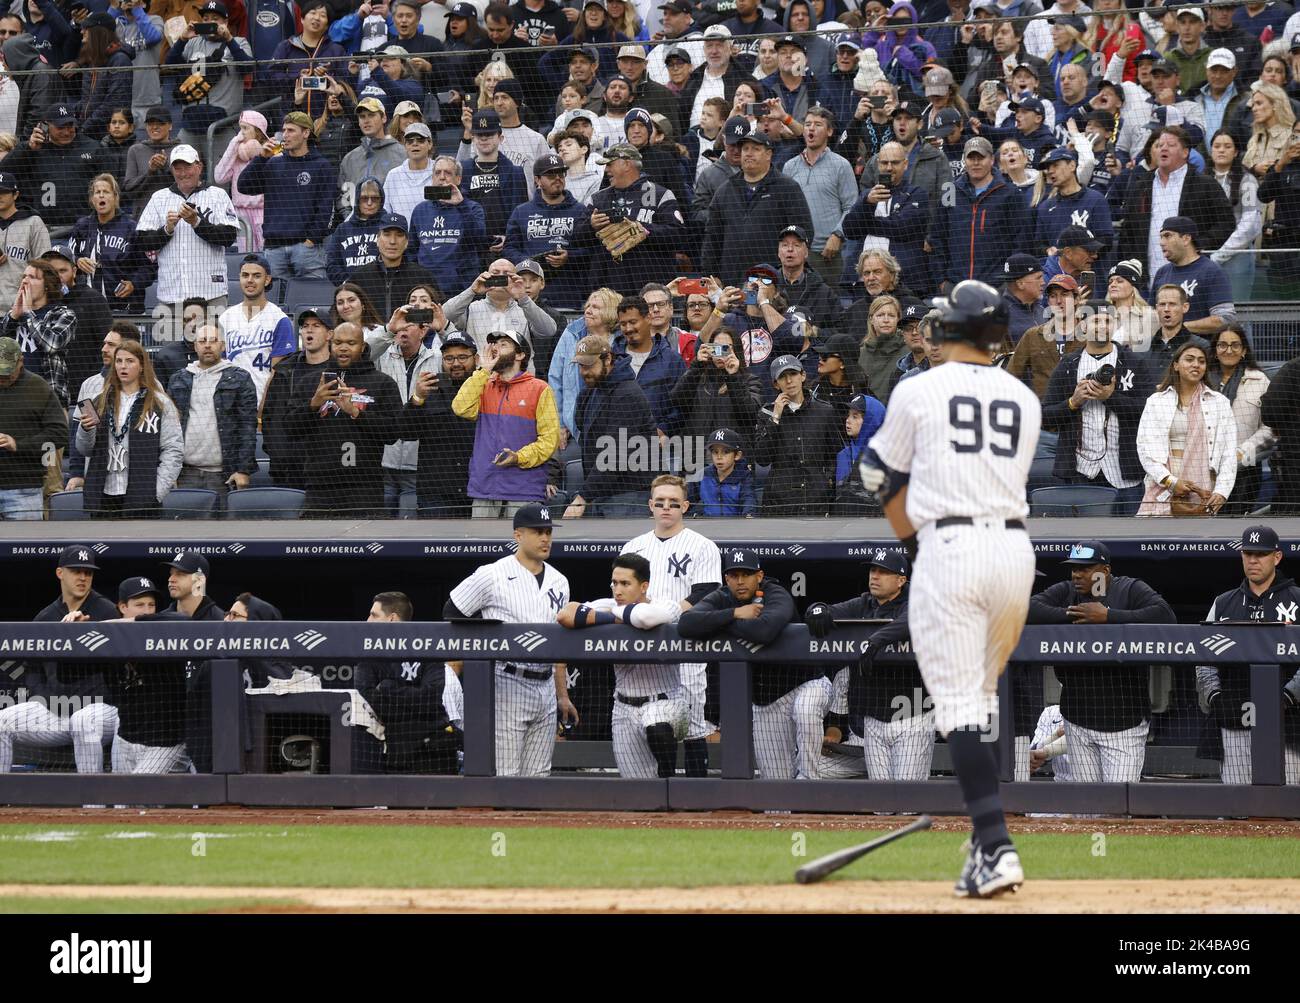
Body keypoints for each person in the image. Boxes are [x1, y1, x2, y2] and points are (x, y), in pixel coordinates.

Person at [860, 279, 1041, 897]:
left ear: (954, 329)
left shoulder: (919, 387)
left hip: (951, 548)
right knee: (980, 699)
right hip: (1015, 551)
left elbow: (874, 470)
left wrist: (914, 545)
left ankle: (996, 846)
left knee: (960, 710)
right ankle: (982, 844)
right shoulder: (1023, 395)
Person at [1027, 540, 1176, 783]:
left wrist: (1109, 616)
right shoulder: (1067, 591)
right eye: (1074, 568)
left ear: (1104, 571)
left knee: (1118, 804)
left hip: (1123, 723)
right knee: (1086, 808)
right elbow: (1030, 609)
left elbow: (1165, 616)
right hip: (1077, 719)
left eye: (1085, 569)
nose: (1077, 574)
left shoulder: (1129, 589)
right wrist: (1075, 614)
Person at [444, 503, 576, 777]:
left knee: (539, 776)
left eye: (549, 532)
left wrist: (562, 695)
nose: (545, 538)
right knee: (506, 775)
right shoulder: (491, 574)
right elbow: (453, 611)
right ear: (518, 535)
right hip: (506, 680)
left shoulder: (559, 581)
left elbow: (561, 640)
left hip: (546, 686)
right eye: (538, 532)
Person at [678, 547, 831, 779]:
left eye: (746, 575)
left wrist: (716, 625)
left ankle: (809, 781)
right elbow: (686, 624)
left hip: (806, 685)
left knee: (806, 709)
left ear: (758, 576)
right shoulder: (723, 597)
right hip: (766, 701)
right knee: (775, 786)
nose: (740, 581)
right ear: (726, 578)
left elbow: (765, 630)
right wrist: (735, 614)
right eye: (734, 575)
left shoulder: (776, 593)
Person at [615, 475, 721, 772]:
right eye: (660, 502)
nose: (666, 508)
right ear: (650, 505)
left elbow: (705, 593)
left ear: (685, 506)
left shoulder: (702, 546)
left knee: (693, 725)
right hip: (642, 647)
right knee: (645, 728)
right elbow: (620, 592)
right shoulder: (633, 547)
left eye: (674, 503)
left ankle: (695, 807)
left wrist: (667, 612)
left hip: (684, 646)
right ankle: (658, 793)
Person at [557, 552, 685, 778]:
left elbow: (646, 619)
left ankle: (669, 778)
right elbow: (565, 615)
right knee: (635, 786)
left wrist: (604, 616)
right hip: (623, 707)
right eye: (614, 583)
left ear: (644, 586)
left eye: (626, 583)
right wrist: (618, 617)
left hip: (666, 702)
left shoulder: (666, 604)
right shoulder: (608, 604)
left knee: (657, 728)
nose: (618, 590)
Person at [806, 549, 930, 780]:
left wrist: (876, 641)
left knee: (907, 800)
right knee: (881, 804)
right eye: (873, 570)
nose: (875, 576)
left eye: (883, 572)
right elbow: (824, 609)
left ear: (901, 580)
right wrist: (817, 609)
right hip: (874, 721)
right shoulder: (863, 604)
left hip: (912, 716)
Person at [0, 546, 120, 775]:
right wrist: (46, 699)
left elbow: (117, 669)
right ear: (60, 573)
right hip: (58, 710)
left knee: (84, 721)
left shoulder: (107, 612)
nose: (83, 577)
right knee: (1, 723)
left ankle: (92, 805)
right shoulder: (46, 617)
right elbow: (32, 671)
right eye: (76, 571)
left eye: (88, 572)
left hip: (99, 709)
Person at [1197, 525, 1300, 785]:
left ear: (1276, 557)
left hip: (1290, 722)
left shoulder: (1297, 600)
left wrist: (1287, 697)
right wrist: (1214, 696)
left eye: (1261, 554)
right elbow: (1204, 657)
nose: (1253, 560)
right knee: (1237, 803)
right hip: (1233, 718)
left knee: (1289, 806)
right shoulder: (1223, 603)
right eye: (1248, 554)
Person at [1040, 309, 1153, 515]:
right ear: (1083, 326)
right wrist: (1073, 402)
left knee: (1130, 536)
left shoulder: (1135, 363)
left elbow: (1150, 411)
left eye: (1108, 320)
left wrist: (1110, 397)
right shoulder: (1068, 365)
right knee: (1080, 538)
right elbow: (1045, 417)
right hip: (1079, 471)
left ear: (1116, 325)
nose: (1102, 326)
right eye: (1096, 321)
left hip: (1126, 473)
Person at [291, 321, 402, 517]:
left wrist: (356, 412)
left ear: (363, 347)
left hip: (364, 487)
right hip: (320, 485)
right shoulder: (310, 382)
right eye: (338, 342)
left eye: (351, 343)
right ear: (330, 344)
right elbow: (290, 429)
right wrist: (313, 404)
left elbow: (393, 432)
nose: (343, 348)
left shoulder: (383, 383)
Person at [453, 328, 557, 517]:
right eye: (494, 345)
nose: (495, 349)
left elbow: (549, 441)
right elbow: (461, 407)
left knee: (522, 546)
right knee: (482, 546)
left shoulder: (540, 389)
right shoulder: (484, 384)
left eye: (503, 344)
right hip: (485, 487)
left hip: (523, 489)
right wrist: (483, 370)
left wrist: (518, 457)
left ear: (520, 355)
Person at [135, 144, 239, 333]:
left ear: (199, 167)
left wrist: (197, 222)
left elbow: (228, 237)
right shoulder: (159, 198)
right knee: (170, 357)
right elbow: (142, 240)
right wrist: (166, 229)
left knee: (213, 351)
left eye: (188, 167)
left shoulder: (217, 195)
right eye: (178, 168)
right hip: (172, 296)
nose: (183, 173)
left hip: (211, 295)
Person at [76, 338, 182, 517]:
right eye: (119, 361)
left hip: (143, 497)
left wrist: (156, 492)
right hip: (102, 496)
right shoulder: (97, 401)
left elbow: (173, 450)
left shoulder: (159, 402)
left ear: (142, 366)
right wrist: (85, 430)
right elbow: (84, 449)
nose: (123, 366)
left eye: (130, 361)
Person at [1113, 127, 1236, 281]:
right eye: (1159, 145)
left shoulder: (1205, 184)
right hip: (1146, 278)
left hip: (1191, 277)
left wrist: (1198, 244)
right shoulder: (1141, 184)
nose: (1163, 148)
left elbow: (1227, 222)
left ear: (1185, 152)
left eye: (1170, 145)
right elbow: (1128, 232)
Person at [356, 591, 458, 774]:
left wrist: (389, 688)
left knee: (443, 802)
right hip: (397, 750)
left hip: (435, 750)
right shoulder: (368, 656)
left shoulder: (427, 648)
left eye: (374, 615)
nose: (368, 621)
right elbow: (370, 700)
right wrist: (413, 697)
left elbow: (431, 698)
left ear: (392, 618)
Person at [700, 126, 813, 288]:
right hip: (732, 283)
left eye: (756, 148)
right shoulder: (724, 191)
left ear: (769, 154)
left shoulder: (787, 188)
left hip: (773, 284)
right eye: (745, 148)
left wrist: (788, 272)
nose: (749, 153)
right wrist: (711, 275)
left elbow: (804, 232)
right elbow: (712, 237)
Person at [1136, 337, 1237, 517]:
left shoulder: (1220, 403)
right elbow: (1144, 449)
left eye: (1201, 361)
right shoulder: (1156, 402)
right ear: (1176, 365)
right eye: (1189, 359)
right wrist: (1171, 481)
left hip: (1202, 486)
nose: (1196, 365)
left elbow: (1229, 454)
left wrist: (1222, 491)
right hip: (1163, 482)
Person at [564, 333, 657, 518]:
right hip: (602, 491)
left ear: (607, 359)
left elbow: (615, 455)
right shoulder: (591, 391)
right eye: (581, 366)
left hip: (629, 495)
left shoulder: (627, 394)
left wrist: (582, 497)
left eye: (589, 365)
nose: (584, 372)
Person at [236, 112, 336, 280]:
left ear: (305, 133)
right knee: (275, 304)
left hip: (306, 250)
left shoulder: (321, 166)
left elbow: (326, 208)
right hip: (274, 249)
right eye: (284, 130)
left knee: (311, 304)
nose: (285, 135)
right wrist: (261, 158)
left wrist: (311, 240)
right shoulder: (273, 163)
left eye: (291, 130)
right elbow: (244, 186)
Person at [166, 324, 256, 505]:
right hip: (185, 473)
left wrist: (243, 470)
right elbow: (169, 430)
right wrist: (169, 472)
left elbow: (248, 426)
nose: (207, 345)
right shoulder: (178, 380)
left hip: (224, 475)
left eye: (213, 341)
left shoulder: (241, 379)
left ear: (223, 346)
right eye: (202, 341)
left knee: (222, 531)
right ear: (195, 346)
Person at [581, 143, 684, 294]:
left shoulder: (660, 194)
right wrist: (590, 226)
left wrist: (645, 230)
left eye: (610, 164)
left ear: (627, 164)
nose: (607, 170)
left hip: (651, 288)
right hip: (609, 289)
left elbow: (679, 236)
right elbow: (576, 237)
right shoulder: (598, 199)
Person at [838, 142, 930, 302]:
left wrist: (867, 224)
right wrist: (867, 203)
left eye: (894, 162)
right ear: (878, 164)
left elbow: (901, 228)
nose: (889, 168)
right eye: (884, 163)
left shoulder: (917, 194)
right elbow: (849, 230)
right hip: (864, 282)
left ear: (905, 164)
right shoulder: (867, 195)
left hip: (904, 283)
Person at [750, 354, 840, 517]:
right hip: (779, 500)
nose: (789, 381)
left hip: (816, 497)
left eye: (793, 374)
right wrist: (775, 417)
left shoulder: (825, 411)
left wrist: (825, 481)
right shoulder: (766, 413)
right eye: (782, 377)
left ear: (803, 375)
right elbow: (762, 458)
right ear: (775, 384)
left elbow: (834, 454)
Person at [932, 137, 1026, 292]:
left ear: (991, 160)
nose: (976, 163)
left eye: (981, 158)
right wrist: (941, 281)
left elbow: (1020, 240)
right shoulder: (950, 192)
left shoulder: (1010, 193)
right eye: (971, 158)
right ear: (964, 160)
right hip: (955, 286)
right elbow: (937, 238)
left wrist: (1009, 280)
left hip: (997, 287)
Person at [374, 303, 441, 515]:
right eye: (399, 325)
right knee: (380, 525)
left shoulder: (437, 358)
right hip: (384, 460)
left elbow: (463, 356)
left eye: (408, 325)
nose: (402, 329)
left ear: (423, 331)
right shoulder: (381, 356)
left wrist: (443, 328)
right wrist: (388, 329)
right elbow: (359, 352)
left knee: (408, 524)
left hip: (418, 463)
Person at [502, 152, 591, 309]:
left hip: (568, 294)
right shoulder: (522, 212)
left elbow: (591, 250)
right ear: (537, 180)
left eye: (561, 173)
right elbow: (509, 248)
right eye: (550, 174)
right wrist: (529, 263)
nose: (557, 178)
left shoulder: (580, 211)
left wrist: (569, 257)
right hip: (528, 297)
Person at [404, 331, 478, 517]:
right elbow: (406, 432)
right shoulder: (429, 387)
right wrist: (417, 398)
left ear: (476, 358)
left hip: (479, 489)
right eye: (449, 358)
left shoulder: (487, 387)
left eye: (462, 357)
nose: (456, 364)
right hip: (436, 492)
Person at [1, 103, 100, 233]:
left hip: (84, 229)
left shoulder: (92, 147)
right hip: (43, 229)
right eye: (60, 127)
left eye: (70, 125)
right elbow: (4, 172)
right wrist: (28, 149)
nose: (66, 132)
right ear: (46, 125)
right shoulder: (33, 149)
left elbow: (111, 183)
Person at [1207, 324, 1273, 515]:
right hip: (1205, 471)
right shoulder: (1202, 380)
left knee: (1235, 528)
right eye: (1222, 345)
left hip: (1245, 470)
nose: (1229, 350)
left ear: (1244, 350)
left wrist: (1241, 454)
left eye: (1235, 345)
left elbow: (1271, 428)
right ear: (1215, 350)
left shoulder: (1260, 381)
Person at [217, 252, 295, 406]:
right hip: (232, 403)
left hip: (265, 402)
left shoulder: (279, 319)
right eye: (245, 275)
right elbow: (220, 365)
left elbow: (277, 373)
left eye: (256, 276)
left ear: (267, 280)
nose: (250, 280)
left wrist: (263, 407)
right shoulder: (226, 318)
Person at [0, 336, 66, 519]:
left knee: (25, 547)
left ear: (21, 361)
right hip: (22, 491)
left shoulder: (38, 387)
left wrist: (18, 445)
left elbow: (59, 435)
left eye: (7, 372)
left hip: (23, 489)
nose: (2, 377)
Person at [66, 174, 150, 316]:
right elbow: (64, 261)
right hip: (87, 310)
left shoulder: (131, 228)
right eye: (97, 192)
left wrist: (133, 283)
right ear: (92, 199)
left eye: (106, 192)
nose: (101, 196)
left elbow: (149, 267)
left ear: (115, 197)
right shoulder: (82, 227)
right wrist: (77, 260)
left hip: (124, 310)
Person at [0, 258, 76, 409]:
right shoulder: (14, 315)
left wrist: (29, 314)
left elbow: (52, 344)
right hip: (11, 399)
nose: (25, 281)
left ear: (47, 286)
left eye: (33, 277)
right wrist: (13, 316)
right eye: (24, 276)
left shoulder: (63, 314)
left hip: (48, 400)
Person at [669, 326, 761, 445]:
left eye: (726, 348)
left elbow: (750, 414)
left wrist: (734, 377)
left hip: (733, 455)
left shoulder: (750, 380)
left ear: (736, 350)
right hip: (697, 454)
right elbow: (677, 401)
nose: (721, 353)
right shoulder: (698, 377)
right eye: (716, 348)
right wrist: (696, 366)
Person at [1150, 215, 1235, 339]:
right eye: (1161, 237)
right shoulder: (1162, 273)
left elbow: (1226, 319)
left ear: (1186, 239)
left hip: (1199, 352)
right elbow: (1151, 316)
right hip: (1165, 352)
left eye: (1168, 236)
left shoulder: (1212, 271)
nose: (1161, 242)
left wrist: (1180, 328)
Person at [612, 294, 683, 437]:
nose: (628, 328)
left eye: (633, 322)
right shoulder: (611, 359)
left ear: (648, 319)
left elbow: (683, 404)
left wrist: (664, 430)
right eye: (623, 324)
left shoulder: (671, 360)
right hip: (616, 444)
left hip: (659, 446)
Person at [349, 210, 438, 320]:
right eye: (386, 234)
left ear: (406, 242)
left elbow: (438, 313)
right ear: (377, 239)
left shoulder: (422, 276)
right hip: (371, 336)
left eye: (399, 235)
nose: (392, 241)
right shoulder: (360, 276)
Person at [1007, 273, 1083, 400]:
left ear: (1076, 299)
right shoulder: (1033, 336)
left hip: (1081, 413)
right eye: (1053, 296)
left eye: (1064, 295)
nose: (1059, 301)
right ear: (1048, 302)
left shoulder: (1089, 337)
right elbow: (1011, 375)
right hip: (1042, 413)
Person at [214, 108, 269, 251]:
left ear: (258, 130)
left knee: (266, 254)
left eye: (245, 128)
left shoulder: (269, 151)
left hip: (264, 211)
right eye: (240, 128)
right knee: (246, 256)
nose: (241, 132)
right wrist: (233, 145)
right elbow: (219, 177)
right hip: (241, 214)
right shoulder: (236, 155)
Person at [0, 170, 50, 314]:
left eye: (4, 192)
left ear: (16, 194)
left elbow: (45, 266)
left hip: (22, 308)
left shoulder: (33, 223)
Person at [694, 425, 756, 517]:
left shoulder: (744, 477)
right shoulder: (703, 475)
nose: (719, 457)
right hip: (705, 528)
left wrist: (748, 516)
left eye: (726, 452)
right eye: (715, 452)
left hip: (735, 528)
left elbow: (749, 501)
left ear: (737, 455)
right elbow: (685, 500)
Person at [1106, 259, 1158, 350]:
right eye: (1110, 281)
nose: (1113, 284)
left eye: (1120, 281)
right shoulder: (1102, 315)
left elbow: (1151, 351)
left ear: (1133, 287)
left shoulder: (1150, 316)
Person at [1000, 253, 1046, 346]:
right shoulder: (1001, 315)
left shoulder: (1041, 310)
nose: (1043, 282)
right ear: (1020, 284)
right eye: (1038, 278)